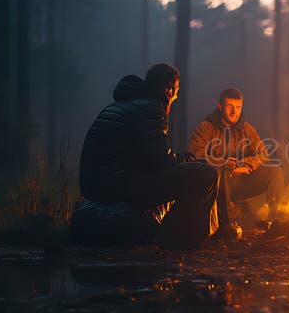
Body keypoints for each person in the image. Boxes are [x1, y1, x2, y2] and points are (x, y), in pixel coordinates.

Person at [78, 63, 220, 249]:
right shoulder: (151, 107)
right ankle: (176, 240)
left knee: (197, 167)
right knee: (206, 173)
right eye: (176, 92)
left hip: (102, 185)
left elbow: (147, 155)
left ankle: (179, 234)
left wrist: (181, 159)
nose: (176, 97)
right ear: (168, 90)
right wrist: (183, 159)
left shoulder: (127, 104)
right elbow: (161, 161)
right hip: (120, 186)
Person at [190, 88, 285, 225]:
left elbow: (263, 153)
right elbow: (194, 155)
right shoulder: (205, 128)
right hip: (217, 186)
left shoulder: (247, 129)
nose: (234, 112)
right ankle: (226, 221)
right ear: (220, 106)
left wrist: (245, 164)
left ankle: (276, 220)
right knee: (219, 172)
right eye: (230, 106)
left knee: (274, 171)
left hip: (240, 181)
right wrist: (223, 164)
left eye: (238, 107)